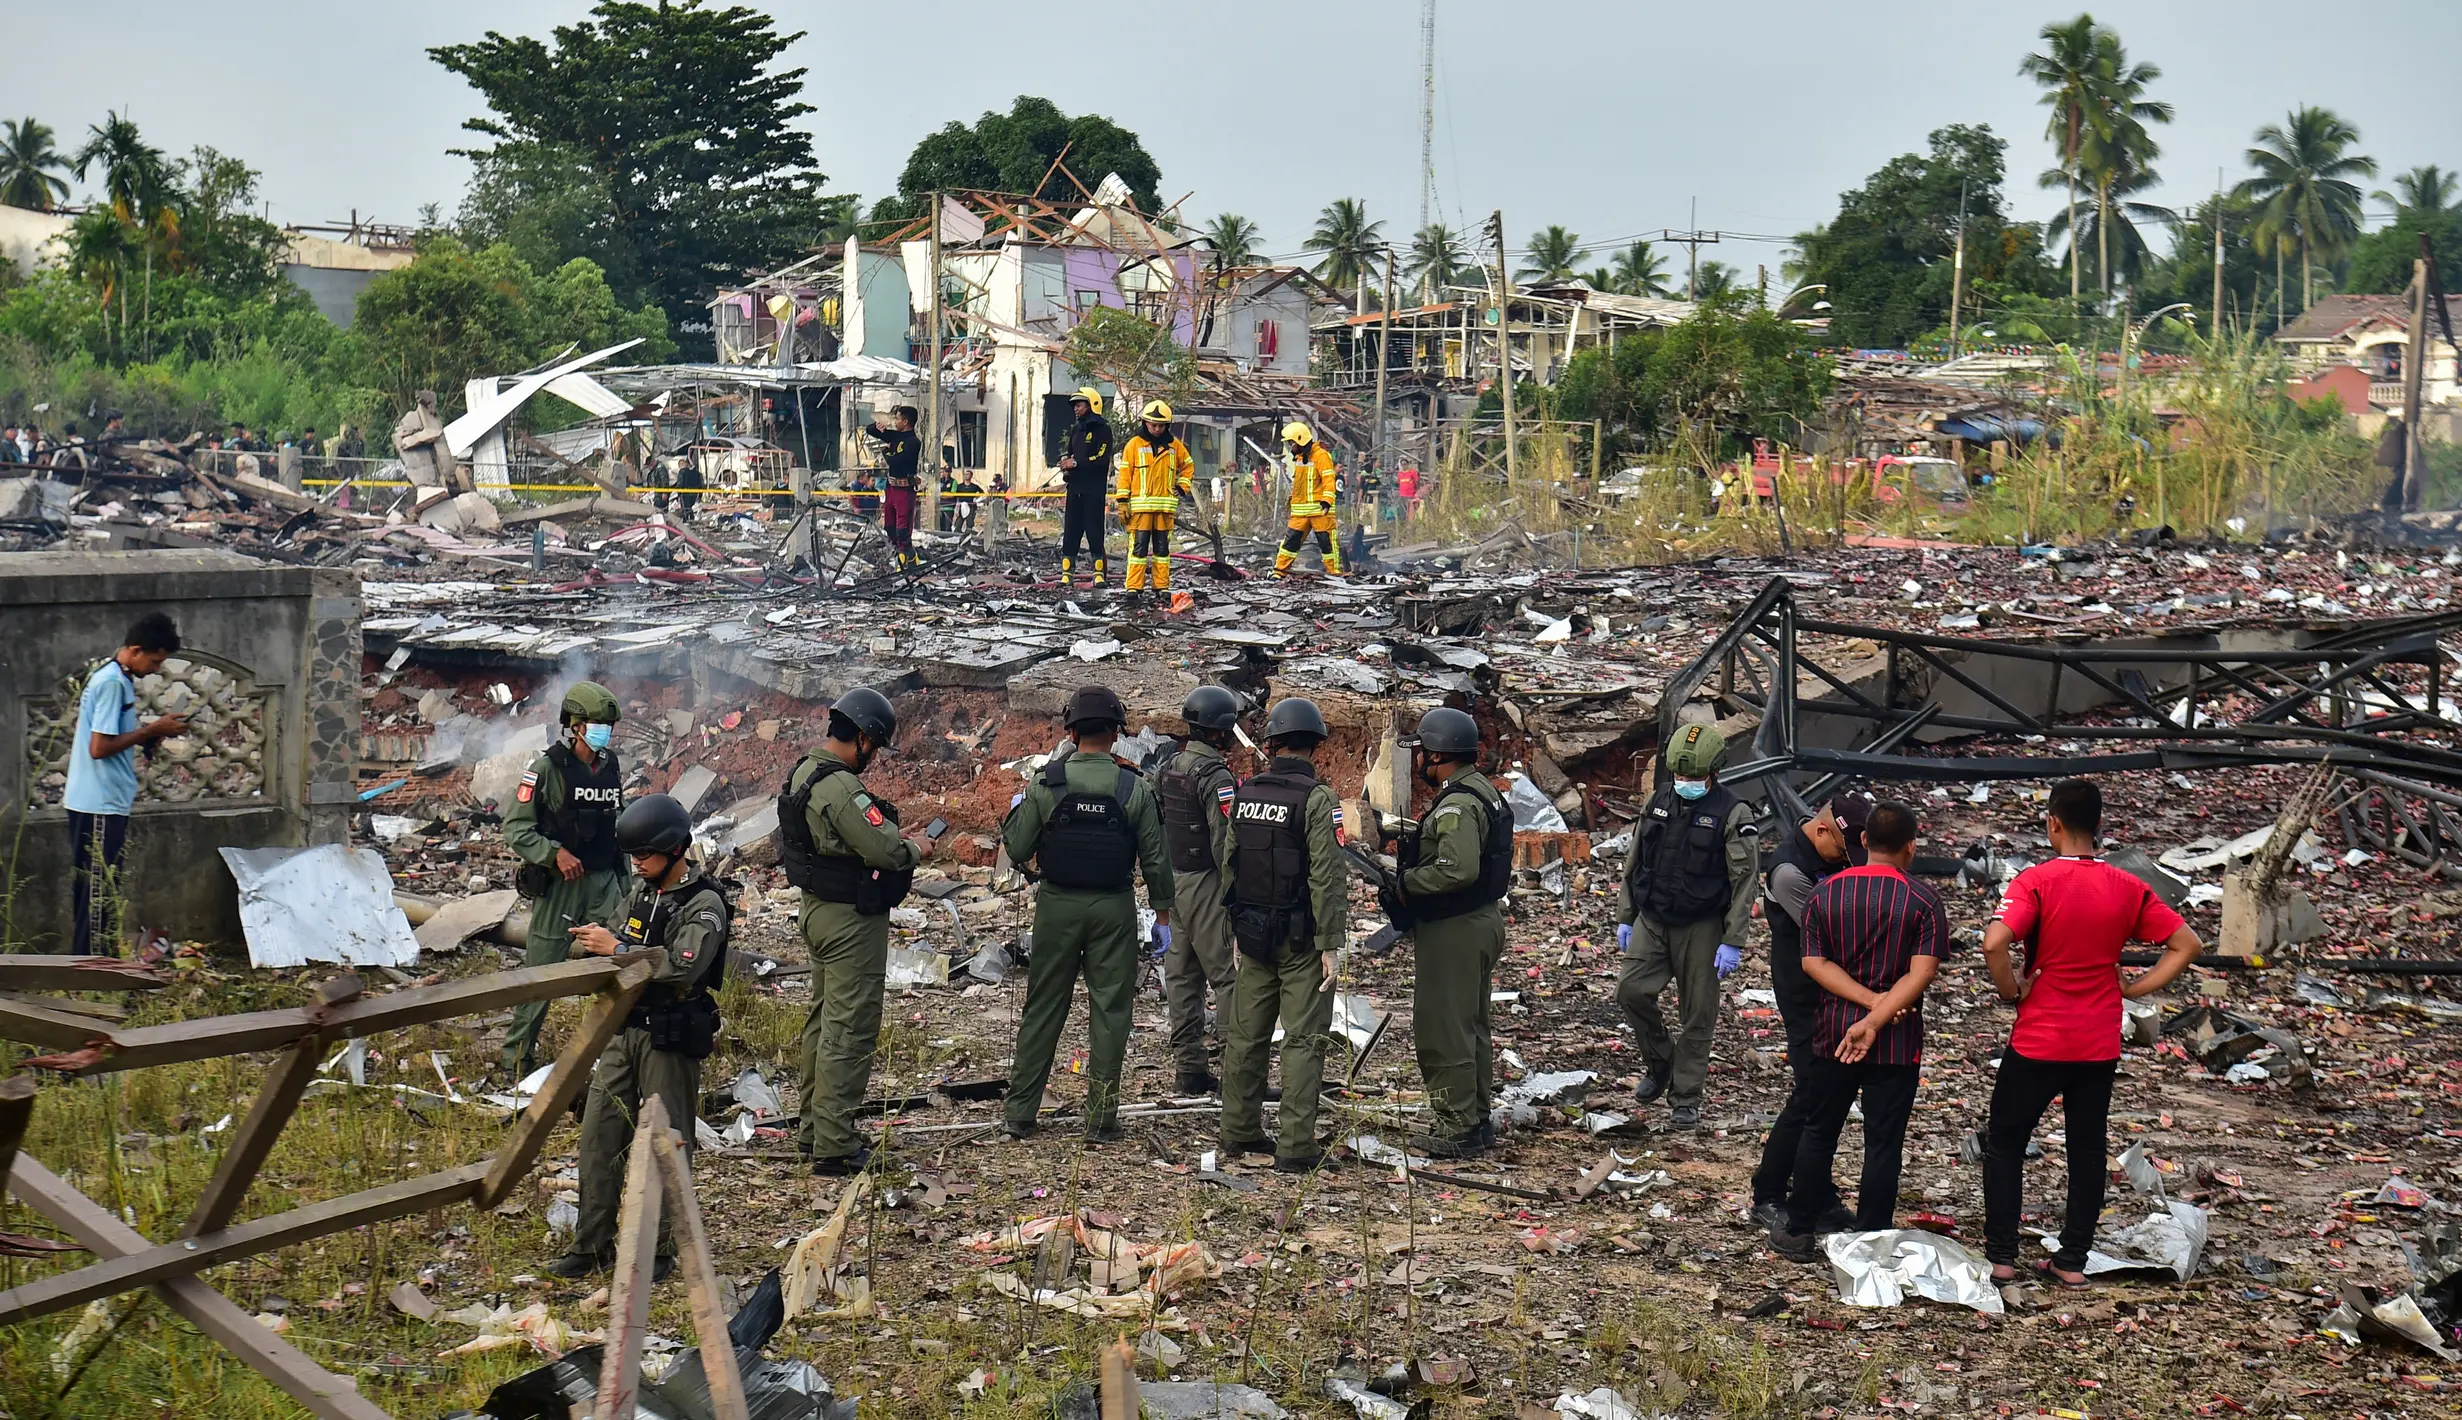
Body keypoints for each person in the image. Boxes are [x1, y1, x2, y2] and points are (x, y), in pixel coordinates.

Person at [1980, 778, 2204, 1288]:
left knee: (2007, 1141)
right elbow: (2186, 944)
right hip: (2098, 1039)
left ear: (2052, 823)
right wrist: (2133, 987)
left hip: (2040, 1036)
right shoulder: (2128, 887)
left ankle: (2001, 1258)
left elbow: (1995, 942)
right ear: (2099, 826)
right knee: (2086, 1145)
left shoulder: (2035, 881)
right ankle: (2072, 1259)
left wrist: (2011, 990)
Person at [547, 794, 730, 1282]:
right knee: (599, 1137)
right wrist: (591, 943)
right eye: (632, 856)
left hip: (668, 1038)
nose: (636, 864)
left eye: (643, 856)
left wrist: (621, 949)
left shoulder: (704, 903)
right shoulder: (642, 893)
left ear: (673, 850)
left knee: (666, 1145)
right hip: (623, 1031)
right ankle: (591, 1243)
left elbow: (680, 966)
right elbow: (613, 934)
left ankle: (662, 1248)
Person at [1766, 802, 1946, 1261]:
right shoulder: (1923, 901)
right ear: (1910, 848)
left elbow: (1813, 963)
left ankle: (1800, 1229)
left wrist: (1862, 1011)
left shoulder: (1826, 894)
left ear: (1863, 842)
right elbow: (1920, 973)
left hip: (1833, 1033)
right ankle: (1871, 1240)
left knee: (1820, 1131)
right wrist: (1879, 1013)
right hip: (1897, 1040)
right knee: (1884, 1143)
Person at [1001, 685, 1174, 1143]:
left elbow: (1017, 847)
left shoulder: (1046, 782)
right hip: (1113, 907)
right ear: (1116, 733)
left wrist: (1021, 813)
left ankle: (1020, 1115)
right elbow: (1156, 859)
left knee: (1042, 1008)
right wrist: (1162, 917)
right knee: (1111, 1012)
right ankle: (1101, 1120)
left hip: (1057, 905)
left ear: (1071, 731)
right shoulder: (1133, 785)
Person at [777, 687, 922, 1176]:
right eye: (875, 747)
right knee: (850, 1027)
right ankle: (834, 1145)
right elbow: (884, 848)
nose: (874, 757)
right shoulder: (840, 788)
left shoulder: (803, 770)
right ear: (861, 738)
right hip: (849, 922)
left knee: (822, 1022)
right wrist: (916, 847)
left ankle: (812, 1129)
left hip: (817, 910)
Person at [1218, 698, 1346, 1171]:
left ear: (1271, 744)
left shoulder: (1246, 792)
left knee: (1246, 1035)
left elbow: (1231, 863)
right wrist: (1331, 942)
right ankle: (1295, 1147)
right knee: (1303, 1040)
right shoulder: (1318, 799)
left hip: (1251, 934)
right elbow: (1327, 878)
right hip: (1300, 942)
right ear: (1316, 745)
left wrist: (1233, 927)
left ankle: (1238, 1131)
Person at [1614, 724, 1758, 1129]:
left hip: (1702, 925)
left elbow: (1744, 880)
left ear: (1713, 773)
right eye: (1680, 776)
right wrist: (1626, 915)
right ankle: (1660, 1062)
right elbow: (1635, 859)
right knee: (1630, 991)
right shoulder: (1659, 800)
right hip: (1654, 917)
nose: (1685, 784)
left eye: (1694, 778)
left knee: (1697, 1014)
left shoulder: (1733, 813)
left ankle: (1686, 1097)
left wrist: (1733, 940)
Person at [1392, 706, 1513, 1156]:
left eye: (1424, 751)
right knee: (1472, 1025)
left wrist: (1406, 881)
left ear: (1439, 754)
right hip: (1479, 921)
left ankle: (1456, 1126)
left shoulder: (1458, 805)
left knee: (1444, 1029)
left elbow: (1457, 869)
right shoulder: (1482, 791)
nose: (1420, 760)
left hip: (1455, 927)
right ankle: (1475, 1118)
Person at [1750, 793, 1873, 1229]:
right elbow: (1835, 935)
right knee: (1810, 1095)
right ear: (1823, 830)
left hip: (1833, 995)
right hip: (1805, 995)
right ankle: (1768, 1190)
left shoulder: (1823, 845)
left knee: (1828, 1098)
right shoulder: (1789, 874)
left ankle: (1816, 1190)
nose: (1847, 861)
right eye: (1842, 852)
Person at [501, 682, 630, 1080]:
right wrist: (554, 853)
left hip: (604, 880)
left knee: (621, 965)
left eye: (607, 724)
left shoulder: (610, 767)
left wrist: (626, 884)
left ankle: (618, 1055)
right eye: (596, 723)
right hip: (560, 887)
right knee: (541, 975)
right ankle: (516, 1061)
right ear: (575, 726)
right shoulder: (545, 769)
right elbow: (516, 829)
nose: (603, 731)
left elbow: (614, 827)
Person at [64, 613, 189, 955]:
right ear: (135, 650)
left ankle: (91, 966)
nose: (157, 668)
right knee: (98, 892)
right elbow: (99, 747)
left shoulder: (113, 675)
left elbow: (111, 735)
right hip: (99, 801)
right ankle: (93, 971)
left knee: (96, 891)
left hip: (98, 798)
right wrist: (151, 730)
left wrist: (148, 737)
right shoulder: (112, 683)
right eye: (155, 660)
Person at [1153, 686, 1243, 1096]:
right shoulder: (1217, 776)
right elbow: (1225, 842)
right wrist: (1236, 897)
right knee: (1228, 978)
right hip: (1208, 883)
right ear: (1221, 733)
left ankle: (1188, 1068)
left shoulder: (1168, 767)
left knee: (1183, 977)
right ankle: (1234, 1074)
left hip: (1175, 882)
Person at [1114, 401, 1194, 597]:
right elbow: (1125, 475)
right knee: (1138, 549)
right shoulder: (1134, 445)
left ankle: (1161, 586)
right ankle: (1134, 587)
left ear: (1167, 425)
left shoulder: (1175, 446)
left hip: (1164, 509)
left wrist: (1182, 487)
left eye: (1161, 425)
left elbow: (1188, 466)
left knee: (1162, 550)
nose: (1157, 429)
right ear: (1145, 423)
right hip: (1140, 510)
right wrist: (1122, 501)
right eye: (1153, 425)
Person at [1057, 387, 1113, 585]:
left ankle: (1098, 574)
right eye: (1074, 406)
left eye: (1079, 405)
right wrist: (1066, 464)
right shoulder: (1076, 429)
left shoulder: (1103, 429)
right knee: (1071, 530)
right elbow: (1071, 454)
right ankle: (1066, 574)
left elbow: (1101, 457)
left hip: (1094, 490)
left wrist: (1078, 463)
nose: (1075, 409)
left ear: (1091, 405)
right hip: (1075, 489)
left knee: (1094, 530)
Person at [1272, 422, 1343, 577]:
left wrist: (1326, 501)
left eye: (1292, 443)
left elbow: (1328, 481)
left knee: (1328, 545)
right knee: (1289, 544)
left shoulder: (1321, 456)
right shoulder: (1299, 459)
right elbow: (1300, 485)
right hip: (1300, 513)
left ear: (1301, 441)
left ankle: (1335, 574)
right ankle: (1278, 573)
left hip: (1320, 511)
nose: (1291, 447)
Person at [864, 406, 922, 571]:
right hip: (891, 488)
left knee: (902, 529)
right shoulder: (895, 435)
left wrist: (885, 451)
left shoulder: (913, 442)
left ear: (905, 421)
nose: (895, 422)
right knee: (889, 526)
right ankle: (900, 555)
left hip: (905, 490)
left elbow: (895, 461)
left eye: (897, 419)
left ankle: (908, 558)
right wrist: (877, 427)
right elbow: (870, 431)